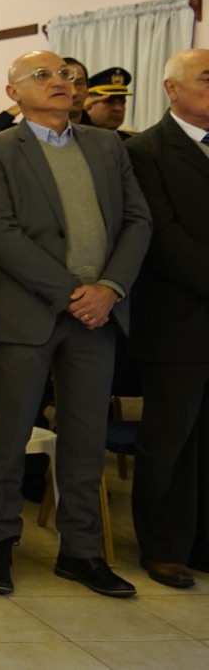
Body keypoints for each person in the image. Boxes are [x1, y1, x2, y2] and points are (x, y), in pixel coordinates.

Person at [0, 50, 152, 598]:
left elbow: (138, 220)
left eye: (68, 75)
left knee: (85, 439)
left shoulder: (105, 146)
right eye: (43, 76)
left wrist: (110, 289)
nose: (61, 82)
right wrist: (73, 293)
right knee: (10, 436)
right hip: (31, 314)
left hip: (97, 318)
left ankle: (81, 551)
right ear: (13, 94)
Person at [124, 48, 209, 589]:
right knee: (170, 438)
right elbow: (163, 236)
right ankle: (163, 545)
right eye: (207, 78)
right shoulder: (146, 151)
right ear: (172, 89)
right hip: (178, 317)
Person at [86, 67, 133, 137]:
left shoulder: (130, 144)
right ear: (88, 102)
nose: (118, 108)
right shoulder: (71, 138)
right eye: (109, 101)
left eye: (122, 102)